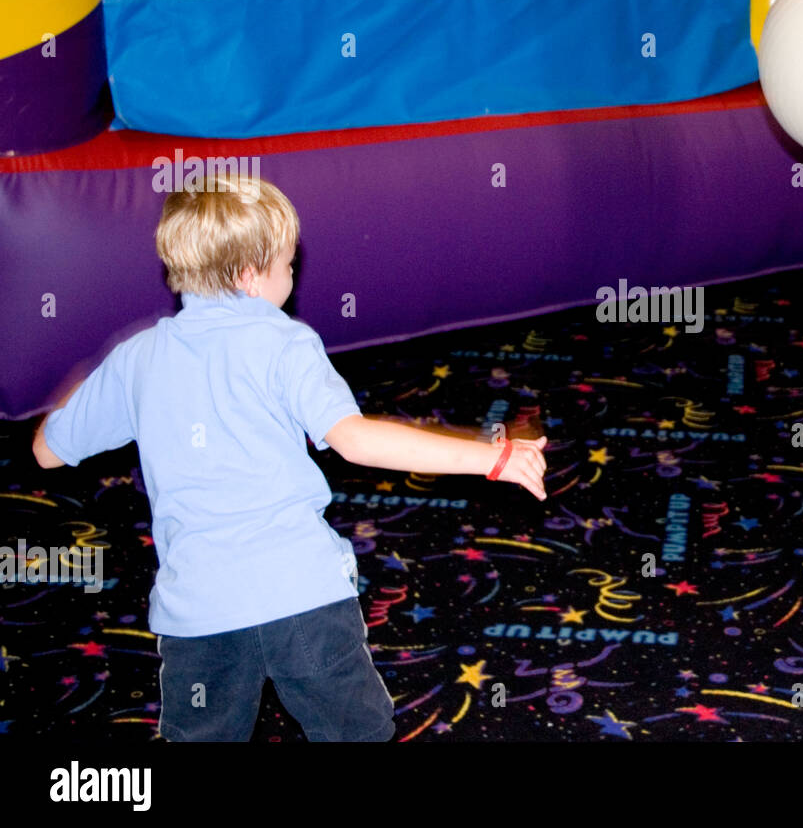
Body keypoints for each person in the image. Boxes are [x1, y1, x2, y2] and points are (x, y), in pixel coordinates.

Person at [31, 174, 547, 740]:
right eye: (287, 264)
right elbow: (355, 439)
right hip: (304, 598)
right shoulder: (286, 342)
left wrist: (79, 393)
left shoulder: (136, 360)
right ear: (251, 277)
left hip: (198, 616)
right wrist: (489, 456)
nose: (293, 275)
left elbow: (47, 453)